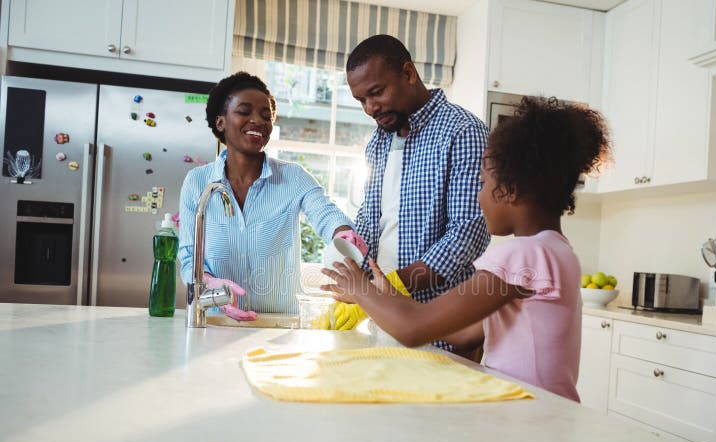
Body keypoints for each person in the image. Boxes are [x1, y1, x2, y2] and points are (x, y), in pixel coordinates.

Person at [322, 96, 610, 401]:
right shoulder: (557, 251)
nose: (478, 197)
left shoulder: (522, 257)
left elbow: (413, 329)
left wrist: (360, 288)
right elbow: (462, 333)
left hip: (530, 416)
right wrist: (385, 292)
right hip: (542, 410)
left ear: (510, 190)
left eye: (483, 184)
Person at [333, 34, 490, 333]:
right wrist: (360, 287)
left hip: (441, 325)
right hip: (382, 320)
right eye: (361, 100)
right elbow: (371, 219)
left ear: (408, 73)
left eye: (376, 92)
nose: (370, 108)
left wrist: (392, 286)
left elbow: (468, 233)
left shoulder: (463, 132)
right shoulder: (378, 142)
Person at [178, 72, 366, 319]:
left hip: (280, 324)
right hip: (216, 320)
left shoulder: (293, 178)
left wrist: (344, 235)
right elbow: (189, 256)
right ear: (221, 122)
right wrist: (211, 286)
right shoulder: (198, 182)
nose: (257, 121)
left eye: (266, 116)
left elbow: (326, 214)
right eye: (245, 112)